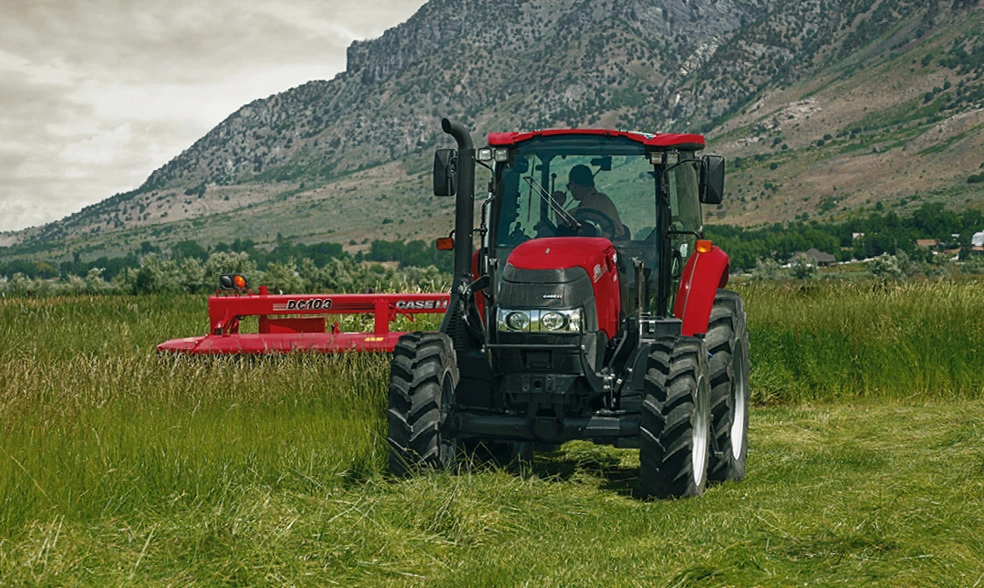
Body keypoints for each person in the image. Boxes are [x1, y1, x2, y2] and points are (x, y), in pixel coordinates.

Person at [557, 164, 627, 239]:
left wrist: (557, 207)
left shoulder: (586, 209)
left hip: (607, 246)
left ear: (573, 184)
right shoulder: (602, 200)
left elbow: (565, 230)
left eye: (569, 186)